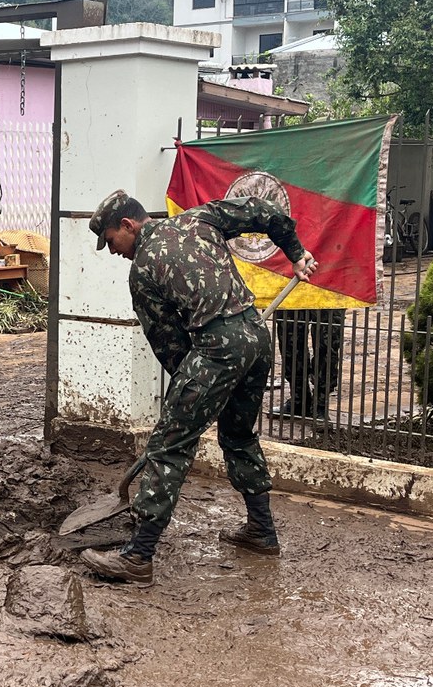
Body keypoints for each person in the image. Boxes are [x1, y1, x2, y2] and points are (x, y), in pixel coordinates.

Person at [79, 191, 317, 587]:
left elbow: (169, 345)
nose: (112, 251)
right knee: (239, 436)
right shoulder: (200, 219)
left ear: (128, 225)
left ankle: (138, 557)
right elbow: (262, 209)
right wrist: (295, 251)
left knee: (169, 444)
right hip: (257, 338)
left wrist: (190, 396)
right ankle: (261, 531)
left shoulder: (142, 271)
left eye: (111, 241)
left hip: (217, 348)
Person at [272, 309, 346, 418]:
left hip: (329, 295)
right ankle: (299, 401)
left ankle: (320, 405)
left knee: (328, 345)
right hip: (291, 297)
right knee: (291, 343)